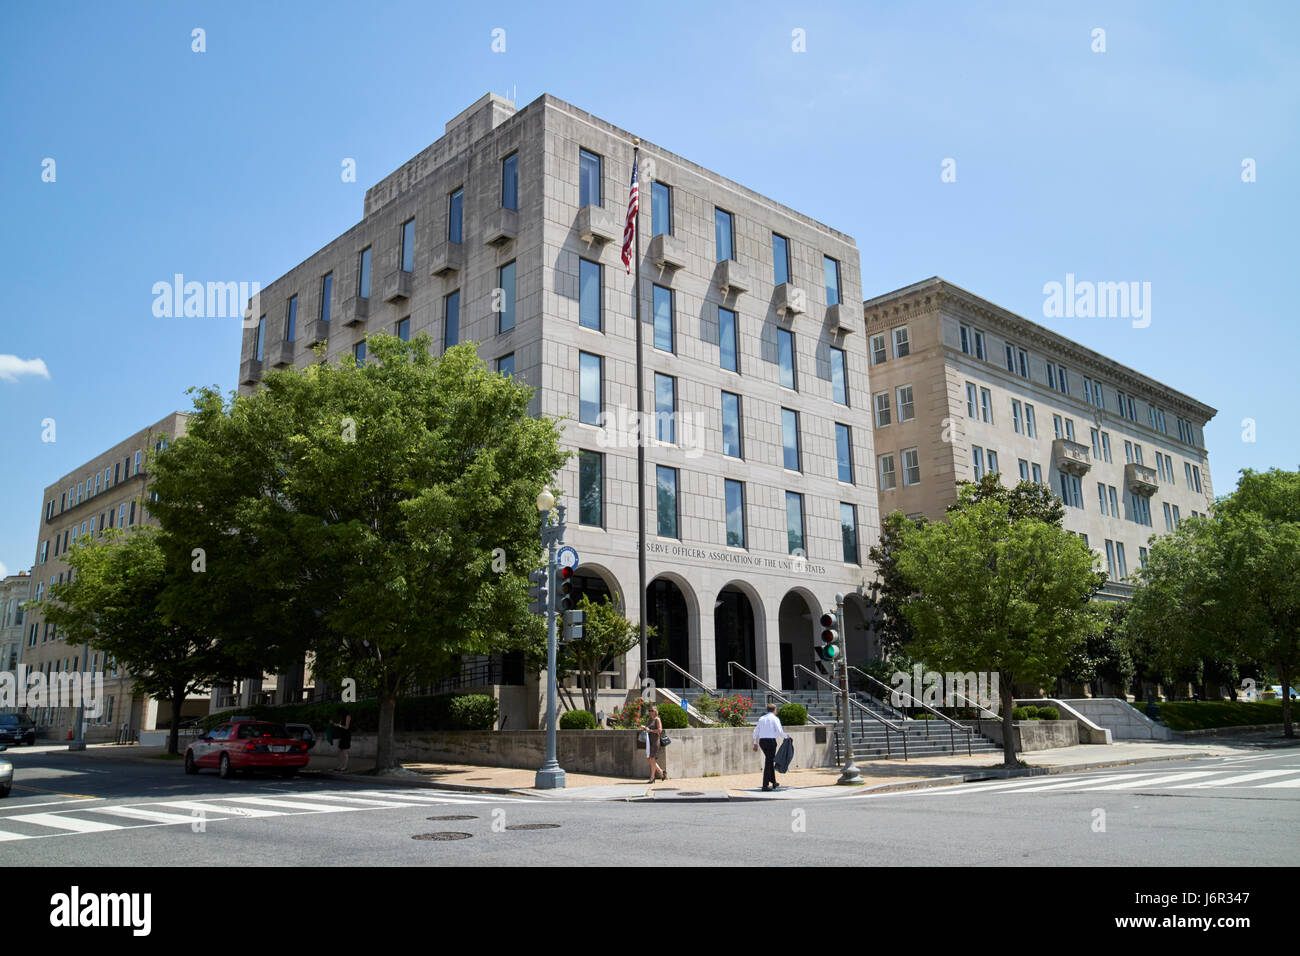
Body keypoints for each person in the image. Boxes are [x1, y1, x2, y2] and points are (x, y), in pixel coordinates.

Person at [752, 702, 789, 791]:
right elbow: (779, 730)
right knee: (769, 762)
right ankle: (765, 785)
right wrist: (786, 736)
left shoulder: (761, 718)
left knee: (769, 760)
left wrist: (755, 743)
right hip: (771, 741)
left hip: (762, 741)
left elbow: (756, 731)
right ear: (774, 710)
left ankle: (773, 781)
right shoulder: (775, 718)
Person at [637, 706, 667, 784]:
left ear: (656, 711)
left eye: (652, 710)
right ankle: (661, 772)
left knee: (652, 759)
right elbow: (647, 729)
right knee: (649, 759)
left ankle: (652, 777)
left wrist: (650, 730)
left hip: (655, 741)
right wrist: (644, 727)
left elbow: (660, 730)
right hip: (649, 741)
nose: (651, 712)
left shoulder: (657, 719)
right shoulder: (649, 720)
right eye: (650, 710)